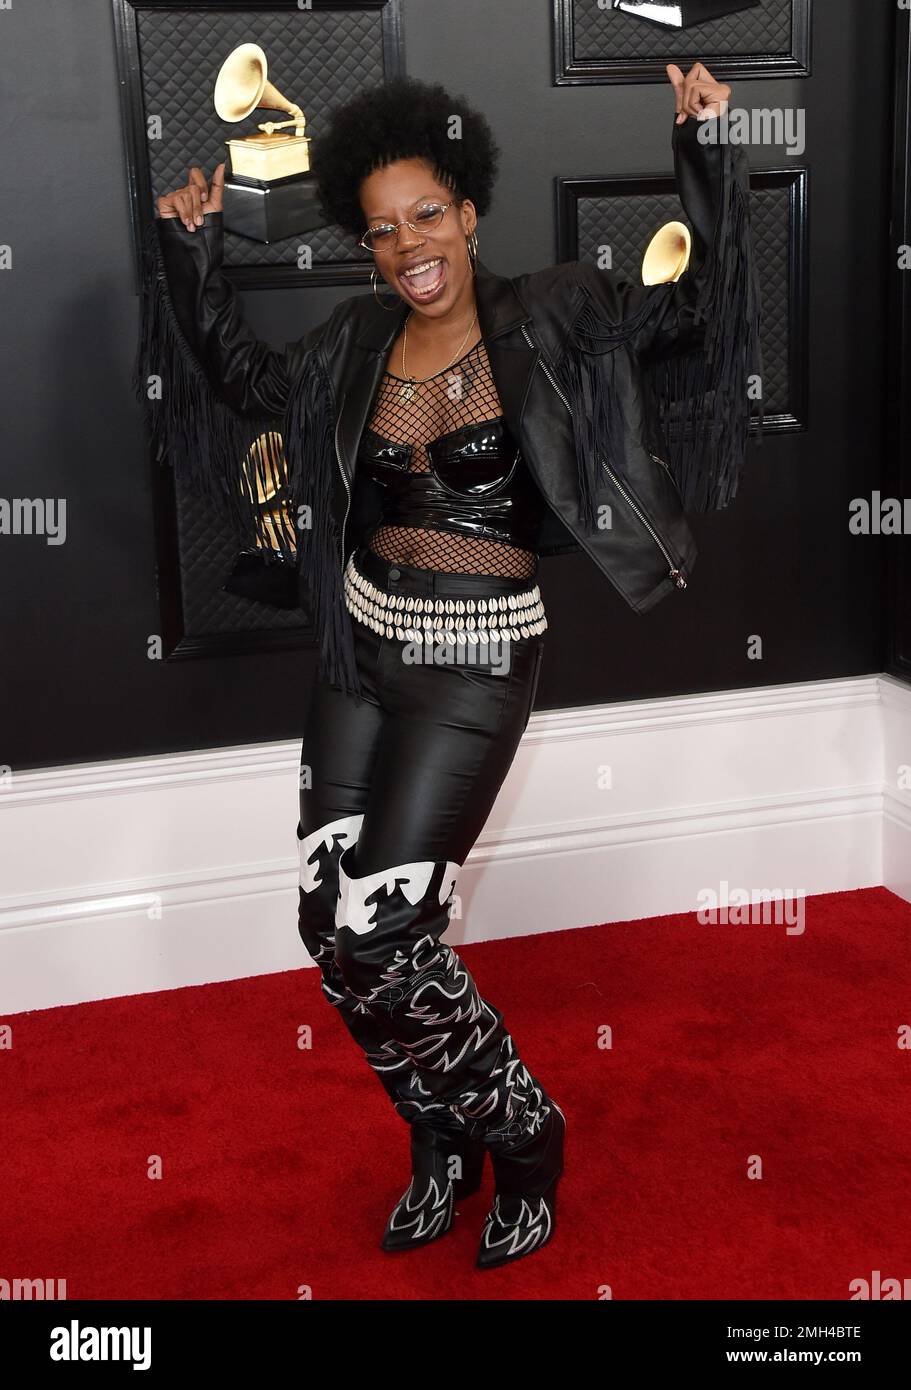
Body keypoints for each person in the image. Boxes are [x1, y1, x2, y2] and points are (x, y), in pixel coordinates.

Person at [133, 64, 760, 1270]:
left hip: (474, 665)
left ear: (468, 212)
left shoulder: (556, 312)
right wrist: (192, 254)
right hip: (358, 648)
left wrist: (707, 151)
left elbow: (688, 319)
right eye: (380, 227)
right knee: (327, 921)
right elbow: (246, 383)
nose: (406, 244)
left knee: (386, 938)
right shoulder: (358, 337)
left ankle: (525, 1139)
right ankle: (438, 1140)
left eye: (425, 214)